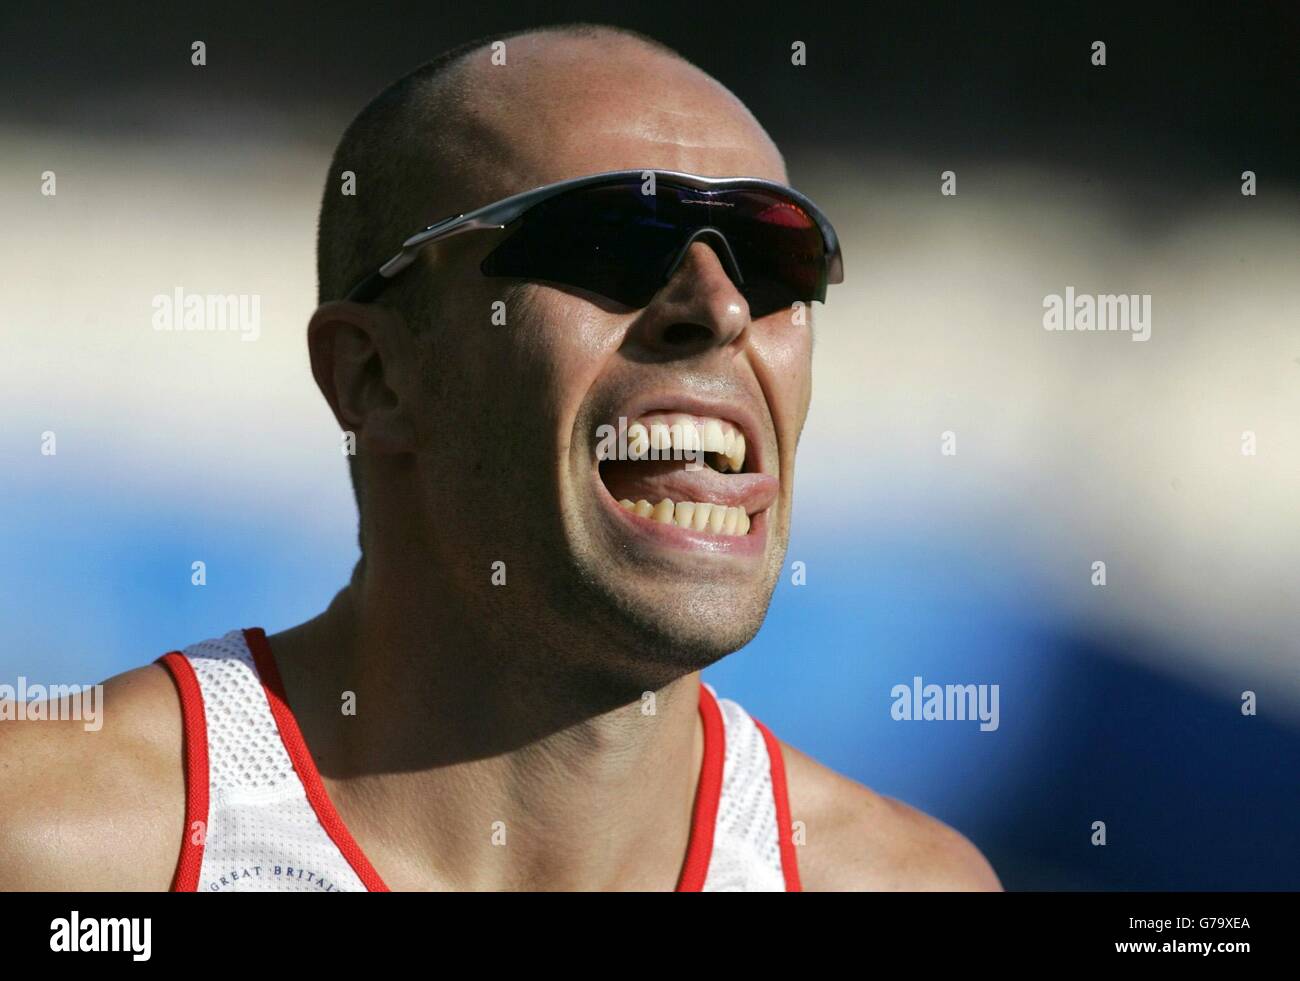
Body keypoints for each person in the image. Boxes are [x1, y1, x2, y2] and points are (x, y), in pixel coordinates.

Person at [0, 24, 1000, 892]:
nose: (722, 308)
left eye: (778, 259)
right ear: (375, 377)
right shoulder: (55, 847)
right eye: (613, 240)